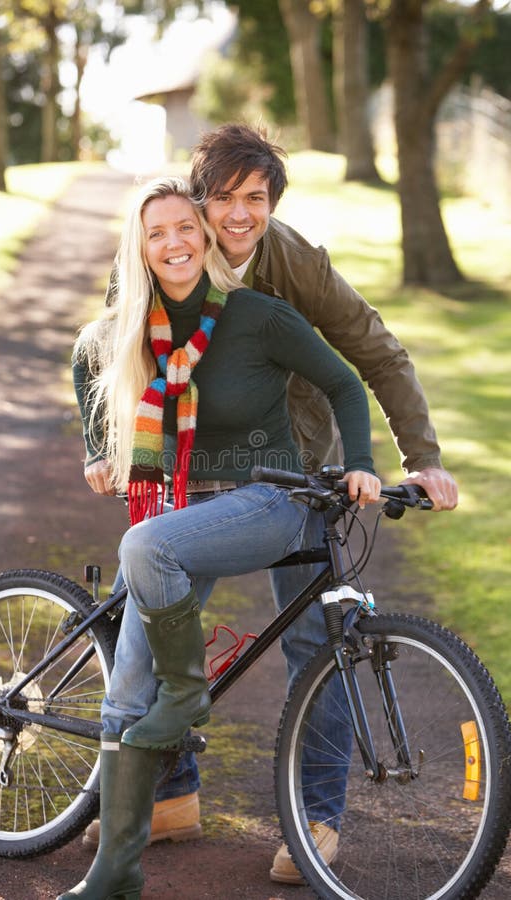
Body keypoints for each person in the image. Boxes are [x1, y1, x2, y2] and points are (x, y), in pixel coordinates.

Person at [83, 124, 458, 886]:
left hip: (298, 466)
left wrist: (420, 456)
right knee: (152, 617)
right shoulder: (166, 244)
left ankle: (314, 819)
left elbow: (373, 351)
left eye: (255, 198)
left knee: (317, 640)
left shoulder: (294, 263)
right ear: (198, 201)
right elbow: (106, 344)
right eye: (222, 198)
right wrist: (100, 444)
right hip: (194, 463)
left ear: (272, 204)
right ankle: (171, 796)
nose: (238, 215)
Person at [59, 175, 380, 899]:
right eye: (156, 232)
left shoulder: (258, 316)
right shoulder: (135, 325)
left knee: (142, 549)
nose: (173, 242)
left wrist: (359, 464)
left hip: (266, 501)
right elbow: (85, 356)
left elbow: (344, 382)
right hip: (179, 505)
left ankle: (187, 694)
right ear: (141, 249)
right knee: (125, 692)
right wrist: (94, 450)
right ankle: (114, 874)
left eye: (183, 228)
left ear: (206, 239)